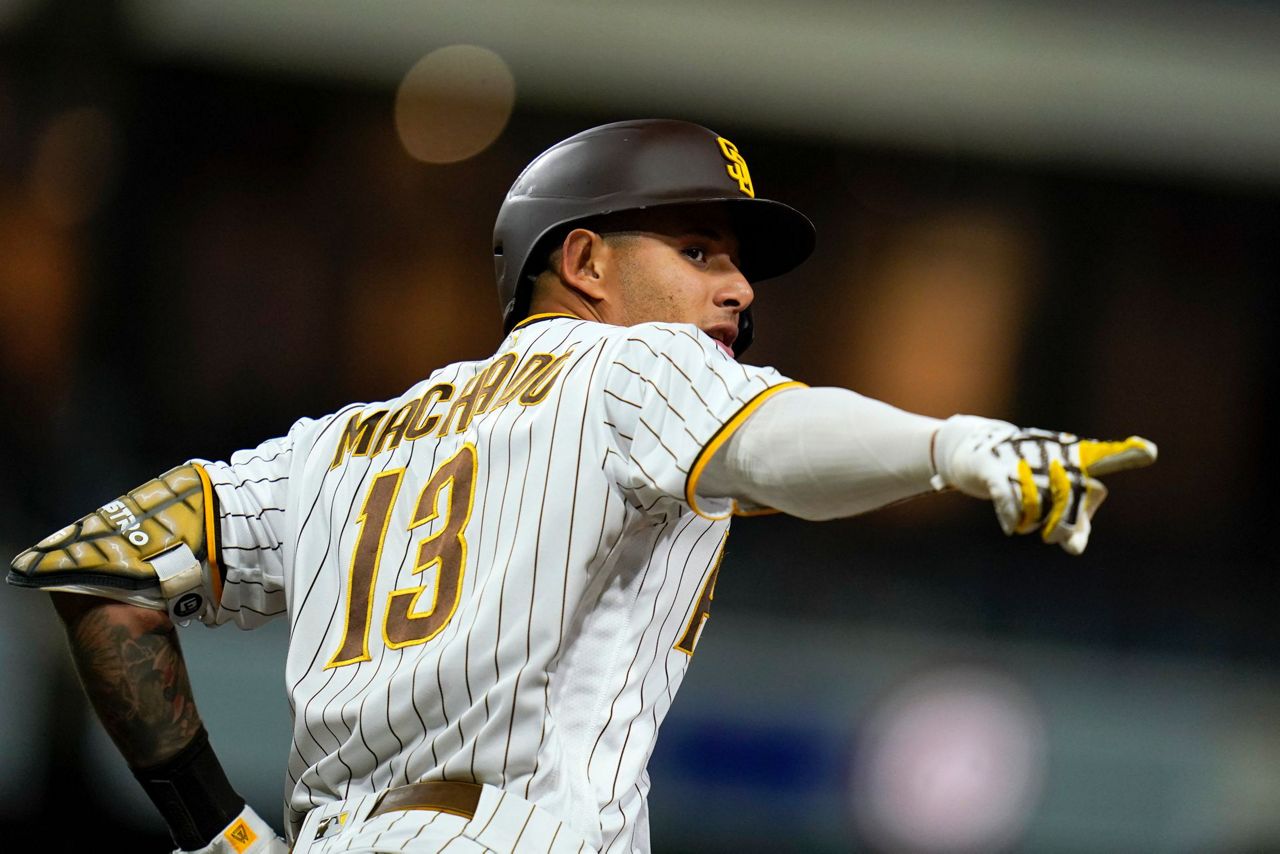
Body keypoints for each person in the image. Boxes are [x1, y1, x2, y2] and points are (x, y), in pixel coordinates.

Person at [7, 119, 1156, 854]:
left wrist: (219, 836)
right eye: (700, 252)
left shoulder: (336, 445)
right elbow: (782, 432)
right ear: (585, 262)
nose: (740, 289)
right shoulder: (628, 365)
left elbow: (98, 563)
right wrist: (958, 447)